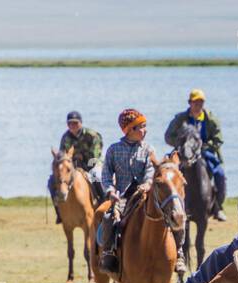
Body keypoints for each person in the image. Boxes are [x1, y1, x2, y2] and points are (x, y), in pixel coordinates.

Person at [96, 108, 157, 273]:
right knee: (109, 218)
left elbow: (151, 171)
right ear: (130, 130)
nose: (145, 130)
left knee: (169, 214)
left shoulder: (148, 150)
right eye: (141, 126)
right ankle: (108, 254)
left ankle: (177, 253)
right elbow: (106, 174)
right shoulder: (113, 150)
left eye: (145, 126)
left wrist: (147, 184)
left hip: (144, 196)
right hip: (122, 197)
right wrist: (110, 191)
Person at [165, 89, 227, 220]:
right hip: (183, 153)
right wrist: (183, 144)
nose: (198, 105)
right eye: (195, 102)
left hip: (205, 153)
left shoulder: (211, 119)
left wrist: (203, 146)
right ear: (190, 103)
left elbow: (218, 139)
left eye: (201, 102)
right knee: (167, 173)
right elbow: (168, 136)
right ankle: (166, 205)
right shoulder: (180, 119)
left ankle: (217, 207)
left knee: (220, 175)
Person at [50, 110, 103, 220]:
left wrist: (82, 158)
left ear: (80, 123)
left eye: (75, 123)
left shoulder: (92, 135)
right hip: (72, 167)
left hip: (92, 164)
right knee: (51, 181)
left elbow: (95, 155)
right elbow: (62, 156)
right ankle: (59, 211)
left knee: (96, 176)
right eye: (70, 123)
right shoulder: (65, 137)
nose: (72, 125)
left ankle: (103, 203)